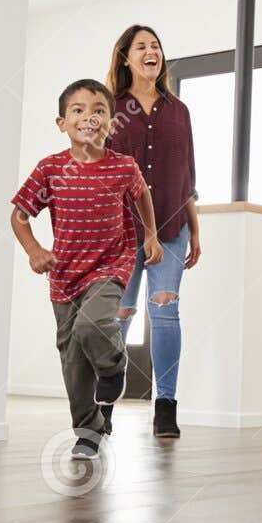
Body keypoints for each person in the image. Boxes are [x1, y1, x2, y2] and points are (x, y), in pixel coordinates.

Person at [10, 79, 161, 458]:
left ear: (111, 122)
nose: (89, 117)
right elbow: (20, 215)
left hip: (112, 263)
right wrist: (33, 250)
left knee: (91, 325)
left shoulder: (123, 167)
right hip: (64, 274)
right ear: (62, 123)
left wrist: (150, 235)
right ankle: (89, 429)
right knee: (72, 357)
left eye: (99, 110)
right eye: (78, 110)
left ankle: (113, 368)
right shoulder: (51, 169)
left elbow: (142, 194)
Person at [105, 25, 200, 439]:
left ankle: (165, 407)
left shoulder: (179, 110)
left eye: (156, 46)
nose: (151, 52)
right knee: (119, 316)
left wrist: (195, 232)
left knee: (165, 314)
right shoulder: (109, 107)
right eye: (141, 46)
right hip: (121, 230)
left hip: (170, 228)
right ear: (126, 57)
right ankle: (102, 404)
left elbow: (187, 176)